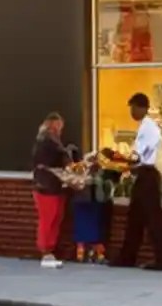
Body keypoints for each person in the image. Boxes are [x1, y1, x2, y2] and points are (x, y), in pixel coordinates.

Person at [113, 92, 162, 271]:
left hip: (148, 175)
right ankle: (127, 257)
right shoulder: (145, 127)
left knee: (153, 219)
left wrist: (116, 158)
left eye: (133, 107)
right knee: (135, 218)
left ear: (142, 108)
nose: (131, 111)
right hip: (143, 175)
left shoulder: (149, 128)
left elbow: (138, 156)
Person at [32, 112, 76, 269]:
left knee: (56, 217)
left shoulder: (50, 139)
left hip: (53, 185)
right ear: (51, 124)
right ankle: (45, 250)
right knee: (48, 219)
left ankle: (50, 249)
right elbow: (59, 156)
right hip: (46, 186)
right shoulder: (46, 139)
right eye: (58, 125)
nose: (60, 129)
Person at [71, 148, 124, 264]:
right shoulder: (92, 171)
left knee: (91, 229)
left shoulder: (100, 172)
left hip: (90, 202)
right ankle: (95, 253)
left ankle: (88, 253)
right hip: (93, 203)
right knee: (95, 230)